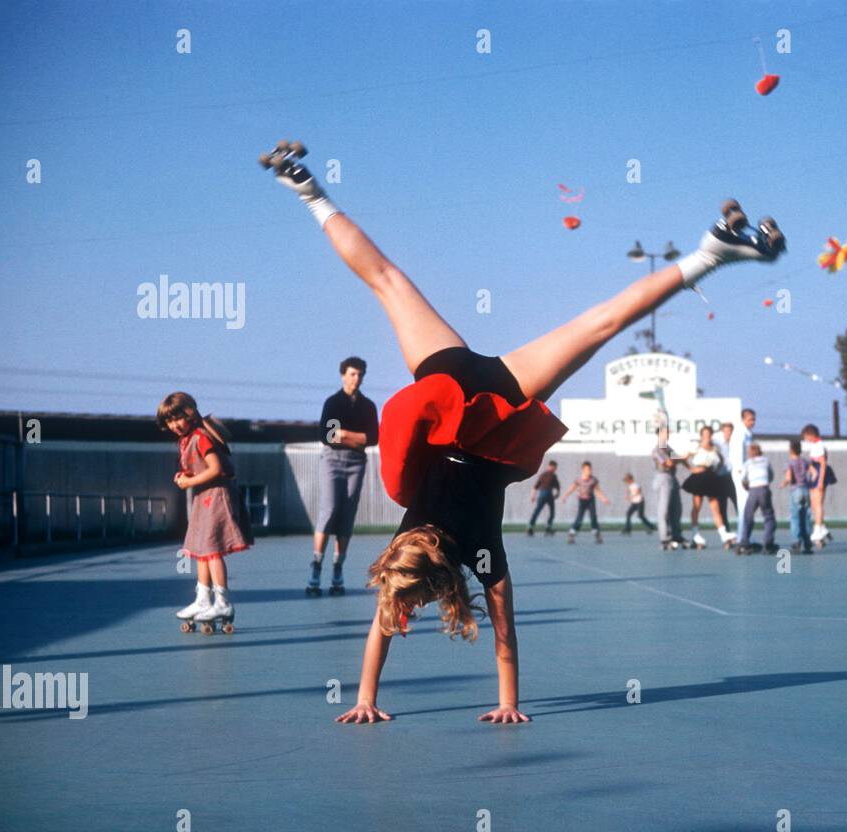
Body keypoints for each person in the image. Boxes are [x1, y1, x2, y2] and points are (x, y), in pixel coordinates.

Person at [263, 143, 783, 723]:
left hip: (503, 403)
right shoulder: (408, 540)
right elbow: (388, 619)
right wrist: (366, 697)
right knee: (387, 280)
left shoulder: (480, 553)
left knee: (601, 325)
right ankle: (309, 191)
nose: (396, 609)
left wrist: (504, 703)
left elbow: (502, 634)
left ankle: (711, 253)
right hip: (449, 380)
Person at [159, 392, 254, 633]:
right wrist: (185, 476)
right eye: (169, 422)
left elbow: (216, 468)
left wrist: (190, 483)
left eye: (178, 418)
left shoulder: (201, 436)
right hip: (205, 496)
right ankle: (203, 598)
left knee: (212, 549)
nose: (174, 425)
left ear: (190, 412)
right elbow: (199, 468)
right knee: (201, 550)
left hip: (217, 495)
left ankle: (222, 602)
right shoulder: (187, 438)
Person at [309, 356, 379, 596]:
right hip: (332, 461)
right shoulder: (332, 403)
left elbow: (372, 438)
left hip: (357, 463)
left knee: (347, 514)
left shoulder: (368, 406)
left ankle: (337, 569)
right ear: (343, 375)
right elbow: (326, 436)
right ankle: (316, 566)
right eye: (352, 374)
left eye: (359, 374)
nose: (356, 379)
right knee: (328, 510)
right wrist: (355, 438)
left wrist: (343, 433)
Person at [682, 425, 738, 549]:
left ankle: (723, 534)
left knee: (715, 507)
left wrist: (716, 469)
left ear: (711, 435)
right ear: (701, 435)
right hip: (698, 478)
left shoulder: (715, 448)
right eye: (704, 434)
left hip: (711, 477)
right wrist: (691, 468)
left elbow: (722, 460)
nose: (707, 436)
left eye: (709, 434)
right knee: (697, 506)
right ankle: (695, 534)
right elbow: (683, 458)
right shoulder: (696, 446)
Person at [652, 426, 690, 550]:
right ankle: (665, 539)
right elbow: (668, 463)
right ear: (658, 434)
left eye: (668, 433)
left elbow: (679, 459)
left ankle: (676, 536)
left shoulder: (668, 448)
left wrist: (692, 468)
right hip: (663, 478)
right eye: (664, 433)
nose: (667, 435)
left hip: (672, 478)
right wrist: (683, 457)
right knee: (663, 510)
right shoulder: (657, 449)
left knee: (676, 509)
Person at [736, 442, 778, 554]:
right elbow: (771, 476)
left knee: (748, 516)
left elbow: (743, 479)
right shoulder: (766, 460)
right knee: (769, 516)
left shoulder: (747, 463)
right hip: (764, 489)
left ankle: (744, 543)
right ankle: (768, 544)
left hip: (753, 491)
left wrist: (748, 488)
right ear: (760, 451)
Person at [801, 424, 837, 545]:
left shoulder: (819, 446)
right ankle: (822, 527)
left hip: (820, 477)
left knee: (818, 503)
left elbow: (822, 464)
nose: (805, 439)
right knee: (814, 504)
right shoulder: (816, 446)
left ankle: (818, 529)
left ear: (811, 435)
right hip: (815, 476)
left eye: (806, 437)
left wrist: (820, 481)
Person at [562, 461, 610, 543]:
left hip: (591, 500)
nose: (589, 471)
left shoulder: (593, 480)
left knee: (593, 517)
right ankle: (572, 533)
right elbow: (572, 488)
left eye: (590, 469)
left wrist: (604, 499)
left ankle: (597, 534)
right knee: (579, 518)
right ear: (583, 470)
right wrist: (565, 495)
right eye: (587, 469)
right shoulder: (578, 480)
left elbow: (598, 491)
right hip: (582, 500)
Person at [781, 439, 814, 553]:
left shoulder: (789, 463)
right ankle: (807, 541)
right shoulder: (805, 461)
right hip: (806, 490)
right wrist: (809, 482)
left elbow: (789, 478)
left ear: (791, 450)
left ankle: (796, 541)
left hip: (796, 491)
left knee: (795, 517)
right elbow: (814, 473)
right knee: (806, 517)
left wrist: (784, 483)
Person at [525, 461, 560, 536]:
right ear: (551, 466)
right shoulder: (552, 475)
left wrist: (533, 496)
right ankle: (548, 528)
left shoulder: (543, 475)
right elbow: (557, 487)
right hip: (547, 494)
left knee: (537, 511)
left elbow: (536, 486)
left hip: (542, 494)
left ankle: (530, 527)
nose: (555, 469)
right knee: (551, 512)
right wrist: (557, 493)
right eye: (554, 467)